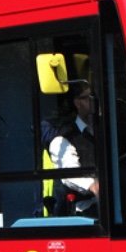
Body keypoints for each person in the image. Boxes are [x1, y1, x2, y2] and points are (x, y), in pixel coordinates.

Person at [48, 84, 99, 217]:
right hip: (82, 212)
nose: (96, 104)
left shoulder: (107, 131)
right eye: (90, 99)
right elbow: (70, 174)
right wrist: (93, 186)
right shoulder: (63, 140)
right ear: (78, 103)